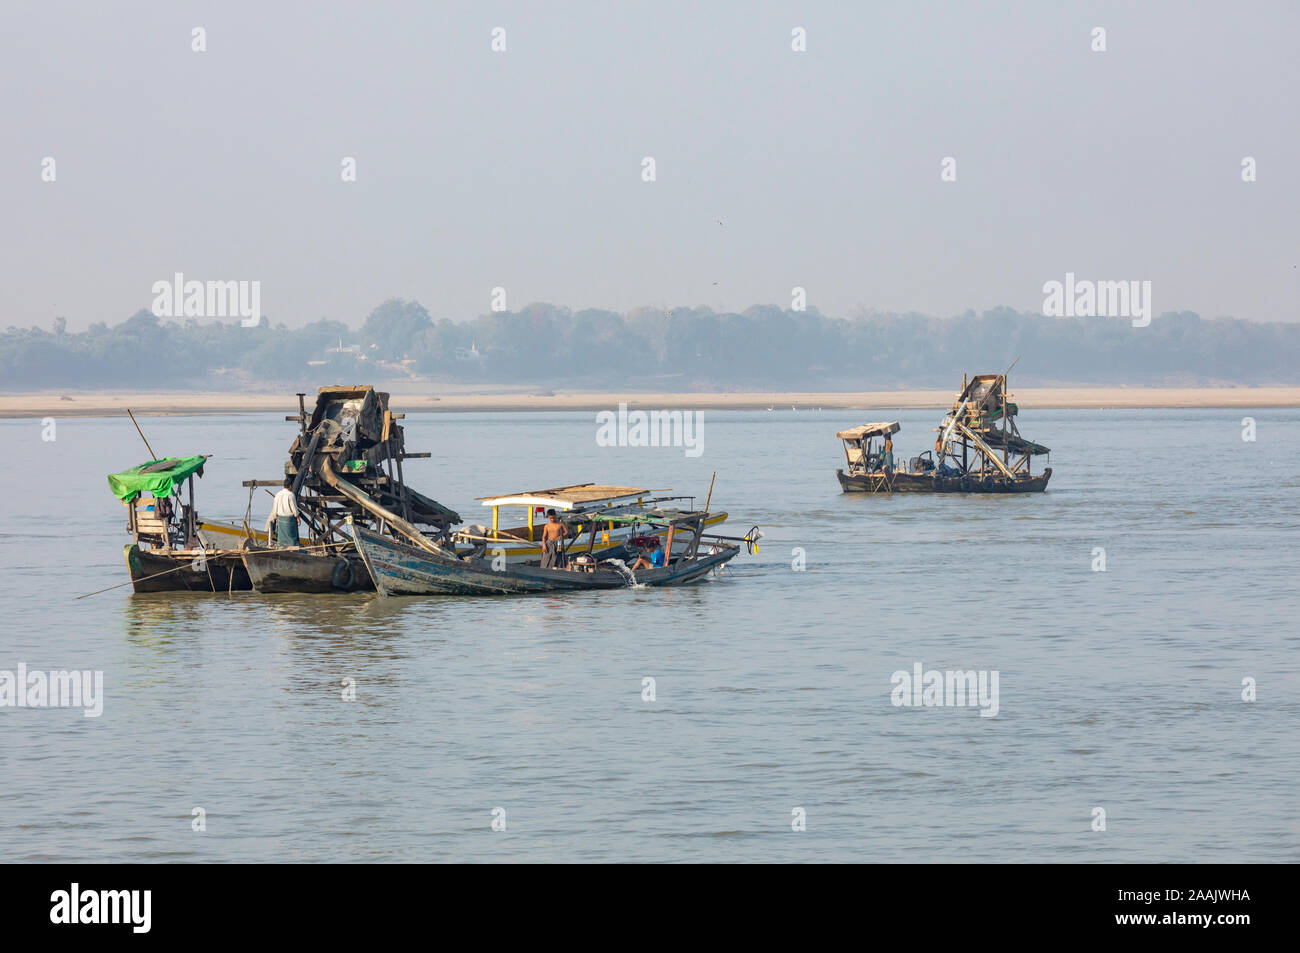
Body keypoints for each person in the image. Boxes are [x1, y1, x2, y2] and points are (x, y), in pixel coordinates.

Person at [266, 477, 301, 548]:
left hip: (280, 519)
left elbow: (275, 509)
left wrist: (276, 518)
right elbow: (294, 509)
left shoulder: (278, 494)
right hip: (289, 520)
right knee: (292, 539)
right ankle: (292, 548)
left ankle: (281, 547)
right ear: (290, 486)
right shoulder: (291, 495)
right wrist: (298, 518)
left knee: (281, 538)